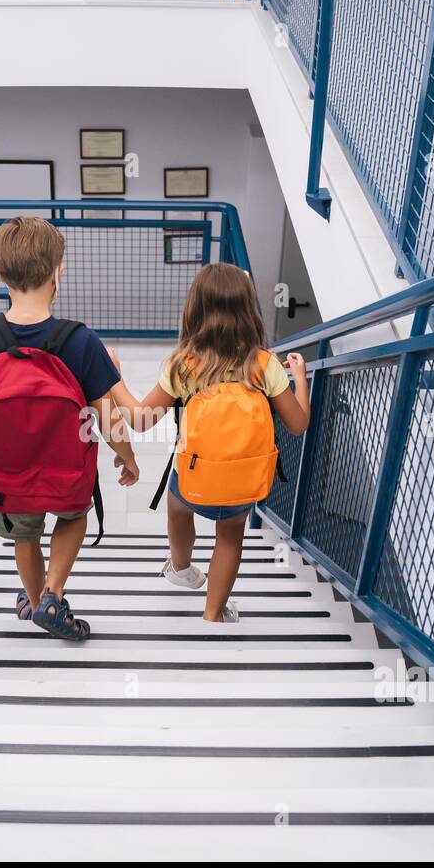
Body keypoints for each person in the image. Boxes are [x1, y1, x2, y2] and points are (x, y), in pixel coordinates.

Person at [0, 217, 138, 641]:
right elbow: (107, 419)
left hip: (4, 478)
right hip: (67, 474)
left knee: (24, 538)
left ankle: (36, 603)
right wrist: (128, 459)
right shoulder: (80, 340)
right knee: (73, 517)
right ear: (59, 270)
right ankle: (53, 593)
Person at [107, 263, 309, 622]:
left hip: (193, 477)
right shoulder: (265, 364)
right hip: (243, 482)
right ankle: (212, 616)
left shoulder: (183, 365)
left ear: (195, 310)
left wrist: (115, 378)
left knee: (178, 508)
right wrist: (301, 380)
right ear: (248, 309)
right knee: (230, 537)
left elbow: (139, 421)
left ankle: (181, 568)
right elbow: (297, 424)